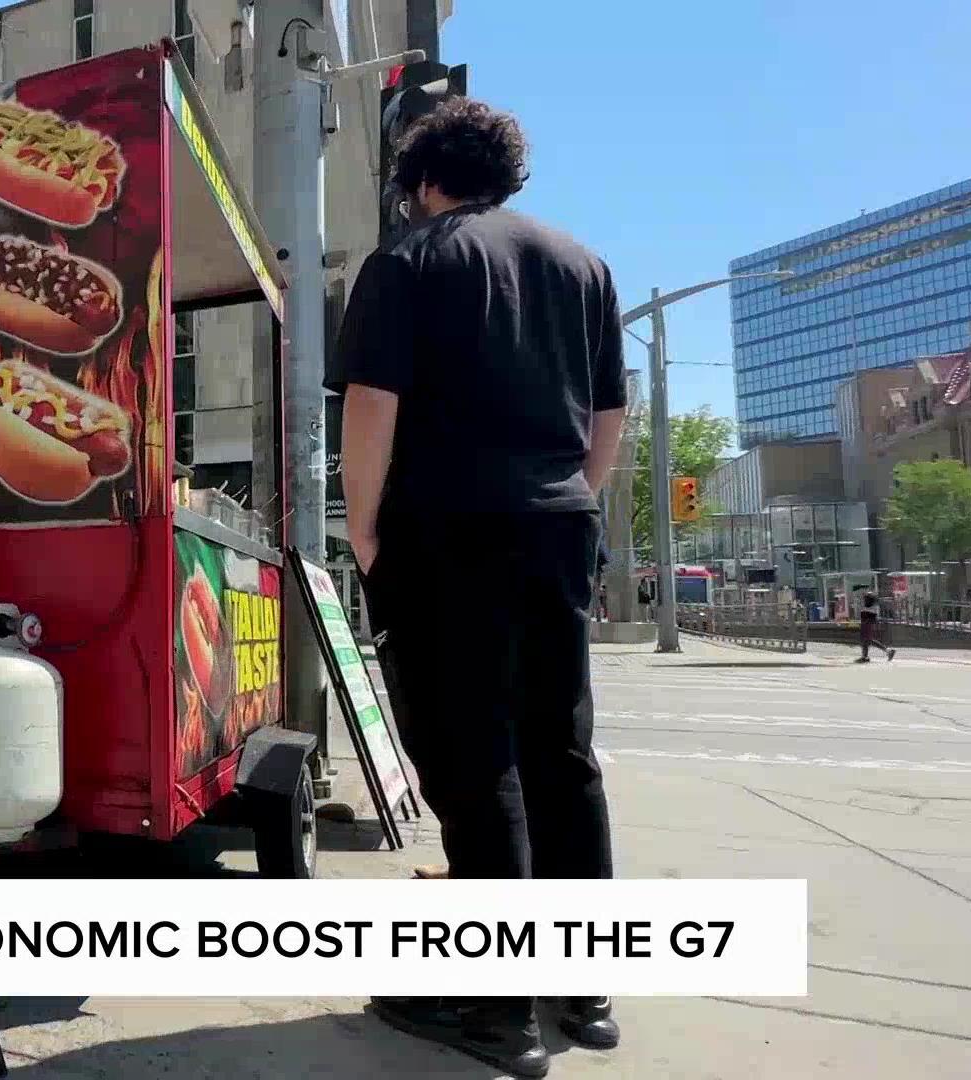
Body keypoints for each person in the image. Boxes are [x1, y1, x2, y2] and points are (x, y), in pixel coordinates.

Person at [330, 97, 624, 1078]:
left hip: (445, 530)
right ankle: (582, 992)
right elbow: (609, 419)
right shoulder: (584, 266)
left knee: (472, 758)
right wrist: (569, 500)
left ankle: (498, 1012)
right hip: (557, 526)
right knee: (561, 751)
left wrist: (364, 532)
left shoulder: (409, 260)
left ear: (422, 180)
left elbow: (372, 405)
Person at [858, 589, 894, 663]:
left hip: (867, 624)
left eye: (866, 598)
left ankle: (888, 651)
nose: (865, 600)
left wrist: (865, 622)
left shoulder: (871, 607)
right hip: (866, 623)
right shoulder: (869, 606)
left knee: (867, 640)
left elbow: (871, 618)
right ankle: (865, 657)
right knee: (866, 640)